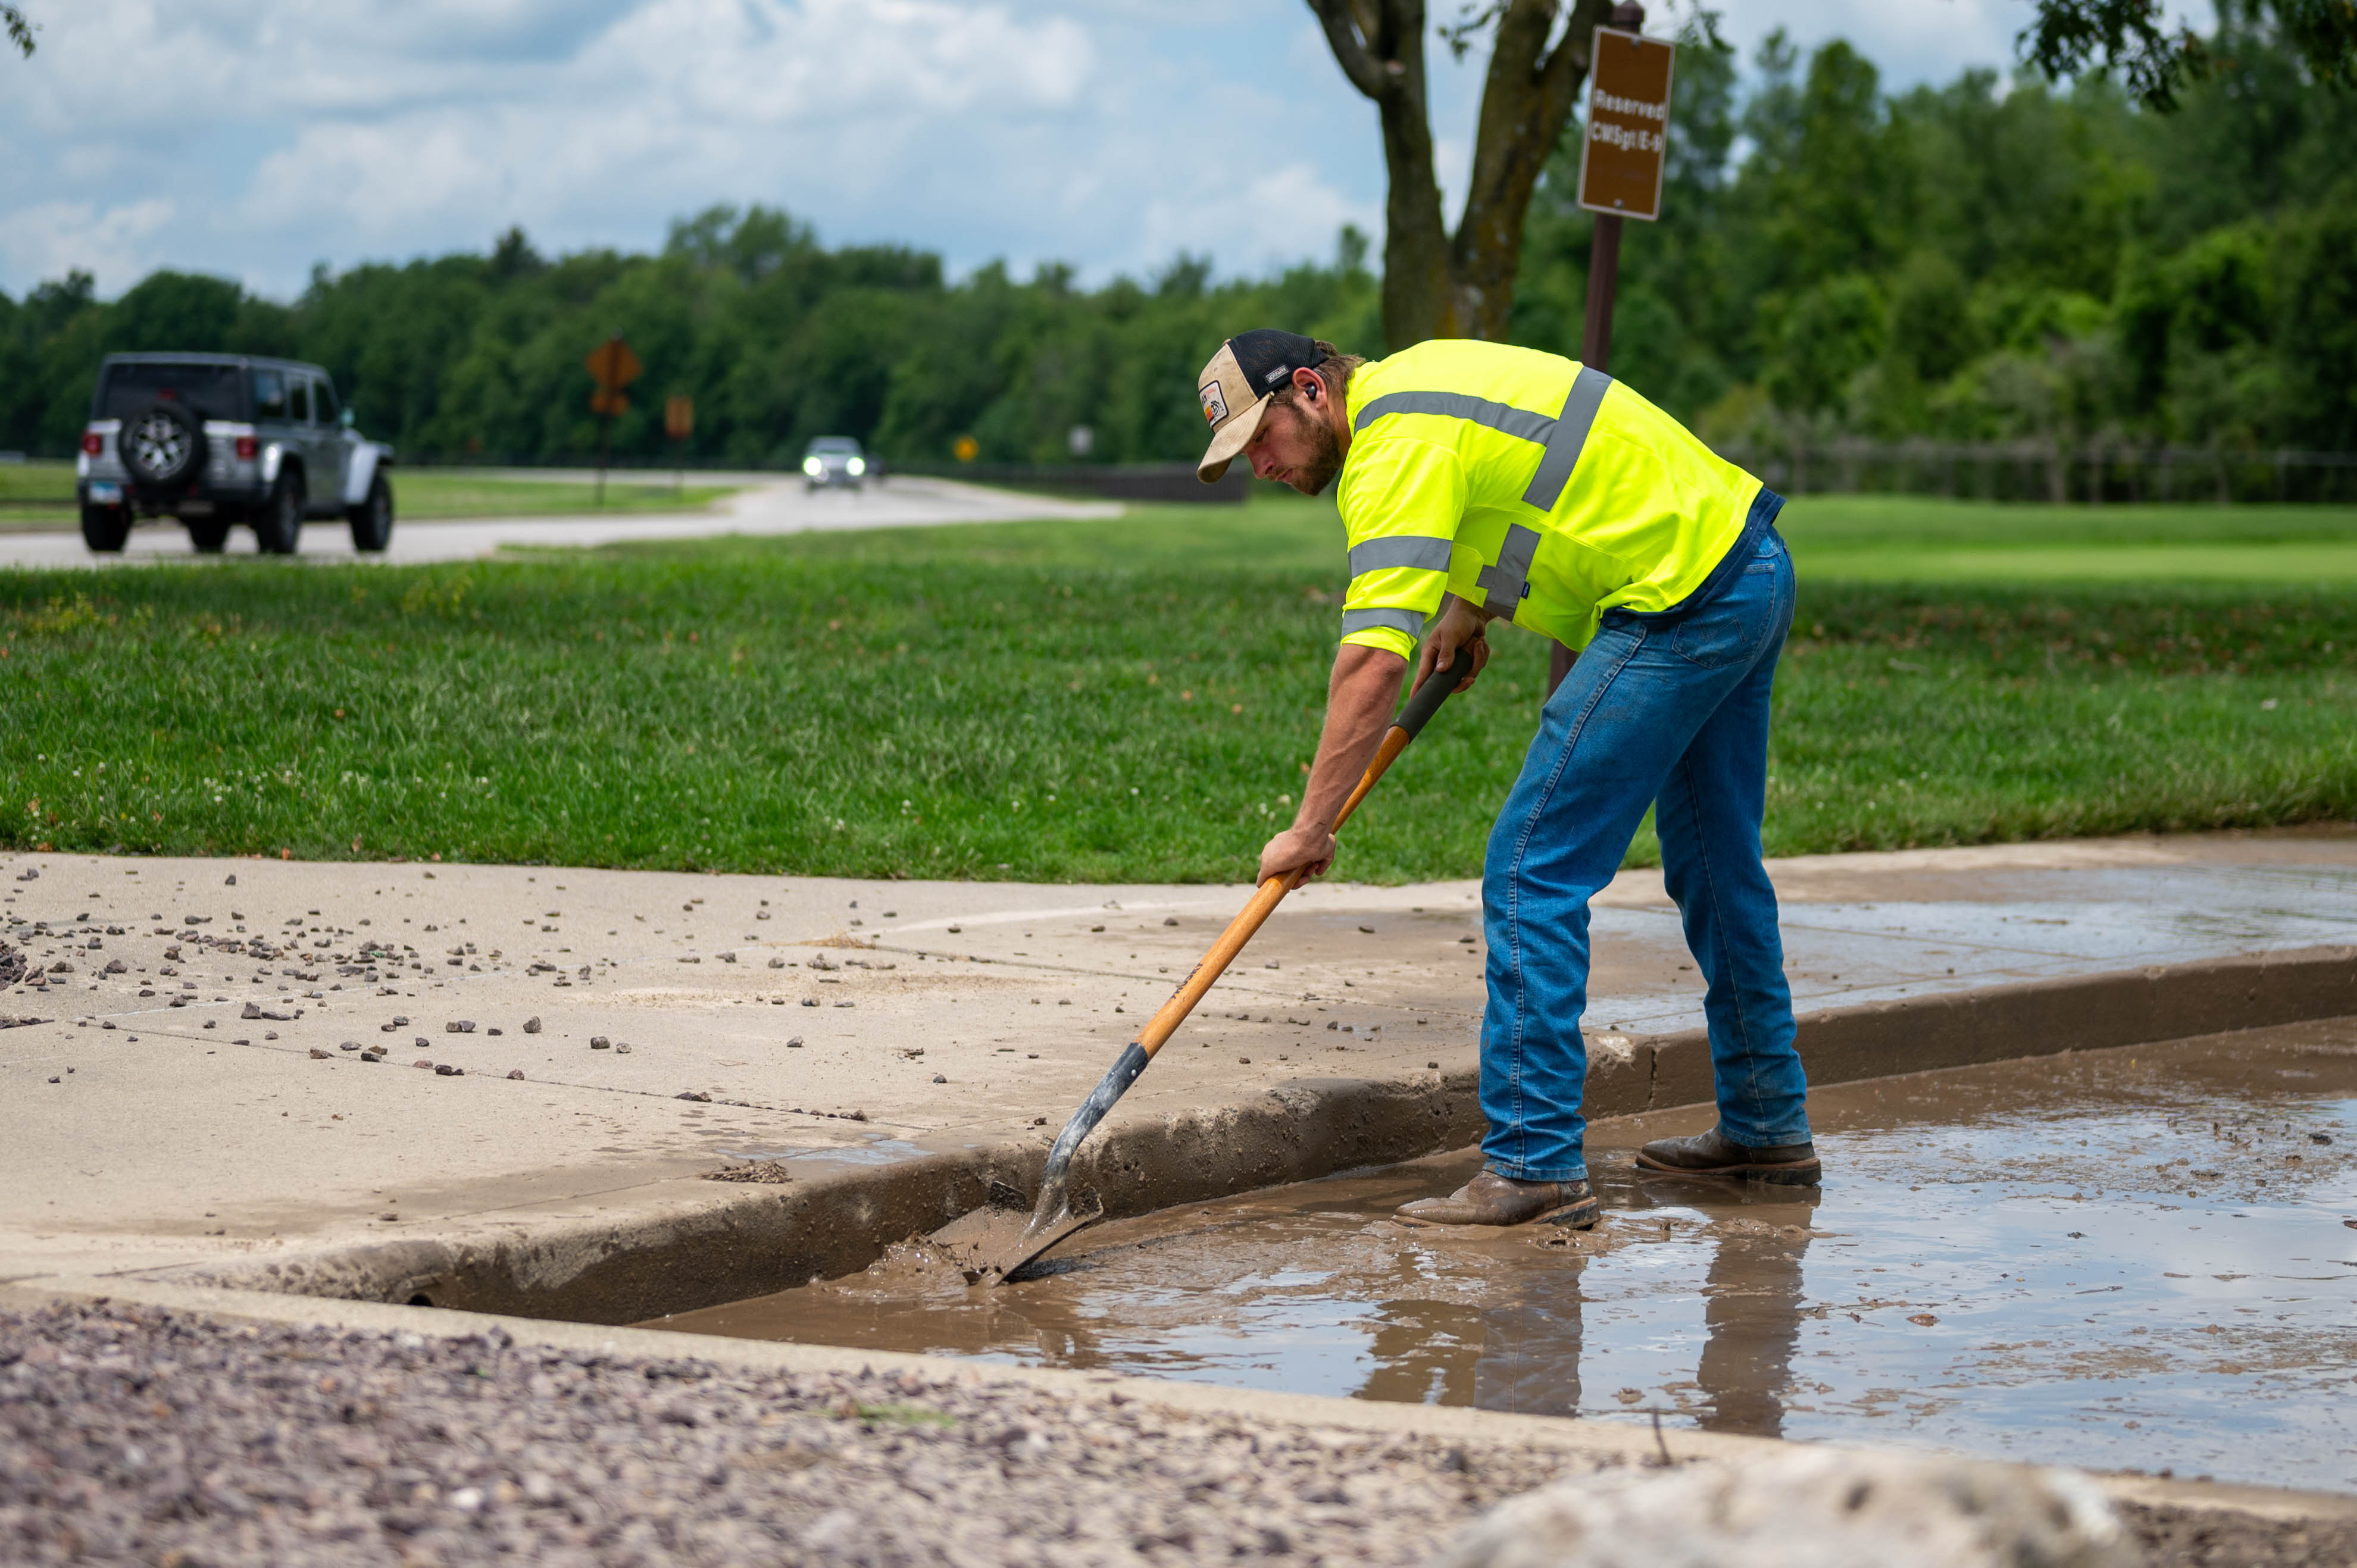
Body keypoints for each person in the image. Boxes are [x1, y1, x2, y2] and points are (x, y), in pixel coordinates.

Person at [1193, 328, 1818, 1229]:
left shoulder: (1389, 451)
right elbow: (1528, 484)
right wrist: (1470, 602)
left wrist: (1310, 826)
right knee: (1718, 868)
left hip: (1679, 603)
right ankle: (1767, 1129)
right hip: (1746, 568)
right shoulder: (1417, 386)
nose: (1260, 465)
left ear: (1308, 392)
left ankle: (1534, 1164)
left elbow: (1372, 665)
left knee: (1532, 866)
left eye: (1261, 438)